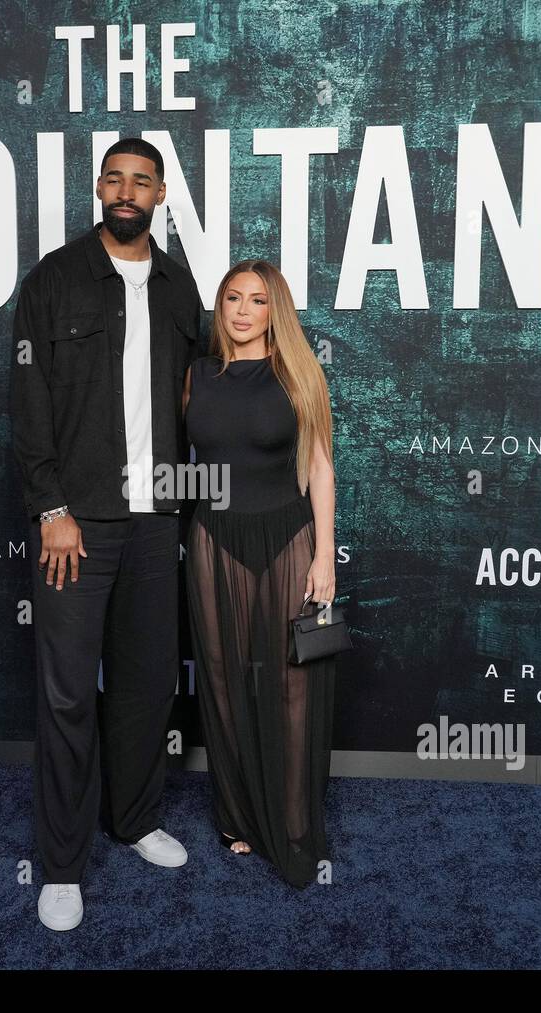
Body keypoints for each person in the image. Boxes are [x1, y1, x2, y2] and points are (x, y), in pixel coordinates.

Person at [9, 137, 204, 930]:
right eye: (115, 178)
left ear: (161, 194)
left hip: (157, 520)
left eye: (143, 181)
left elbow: (198, 400)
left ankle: (136, 819)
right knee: (66, 694)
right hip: (76, 524)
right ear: (99, 188)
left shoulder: (179, 287)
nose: (128, 191)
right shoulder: (54, 280)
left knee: (147, 685)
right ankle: (61, 865)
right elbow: (27, 406)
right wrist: (50, 509)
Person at [181, 260, 339, 889]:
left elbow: (321, 467)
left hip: (288, 539)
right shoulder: (195, 376)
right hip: (213, 540)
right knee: (221, 683)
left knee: (290, 685)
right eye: (231, 299)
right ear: (220, 307)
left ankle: (294, 826)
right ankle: (239, 815)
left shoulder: (297, 373)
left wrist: (325, 555)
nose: (242, 311)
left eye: (257, 300)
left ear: (276, 310)